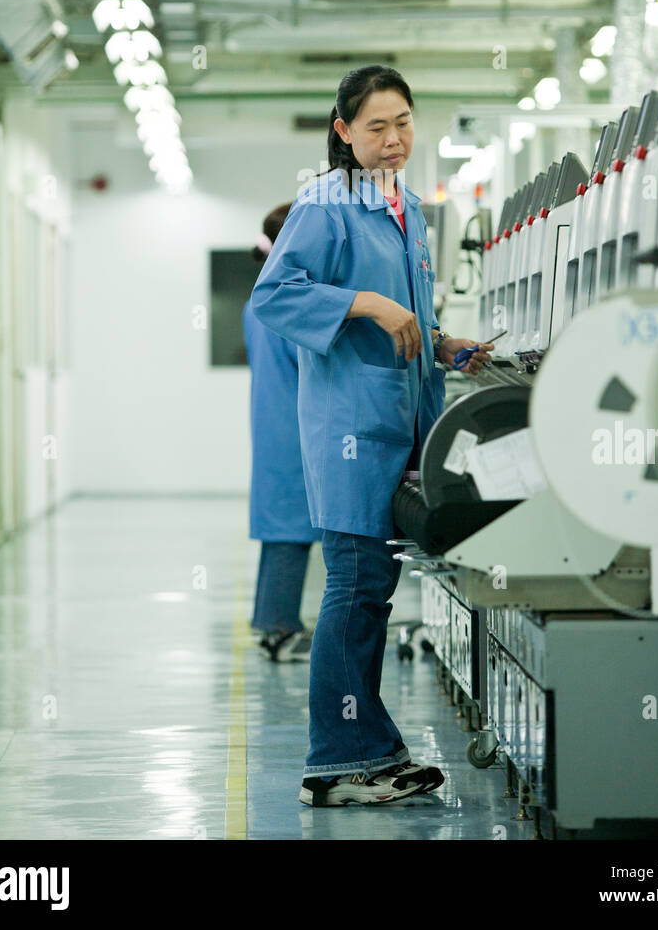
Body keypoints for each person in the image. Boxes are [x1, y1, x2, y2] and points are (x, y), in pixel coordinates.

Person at [251, 65, 493, 806]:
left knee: (372, 594)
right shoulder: (327, 204)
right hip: (353, 430)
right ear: (344, 131)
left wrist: (447, 343)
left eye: (404, 124)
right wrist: (364, 303)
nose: (393, 141)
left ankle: (370, 750)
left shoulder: (407, 208)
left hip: (402, 423)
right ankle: (337, 762)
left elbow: (409, 306)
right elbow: (276, 294)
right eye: (376, 127)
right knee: (355, 590)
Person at [243, 203, 321, 662]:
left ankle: (273, 621)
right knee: (290, 529)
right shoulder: (286, 300)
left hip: (276, 423)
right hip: (293, 427)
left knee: (282, 530)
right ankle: (279, 628)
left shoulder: (263, 295)